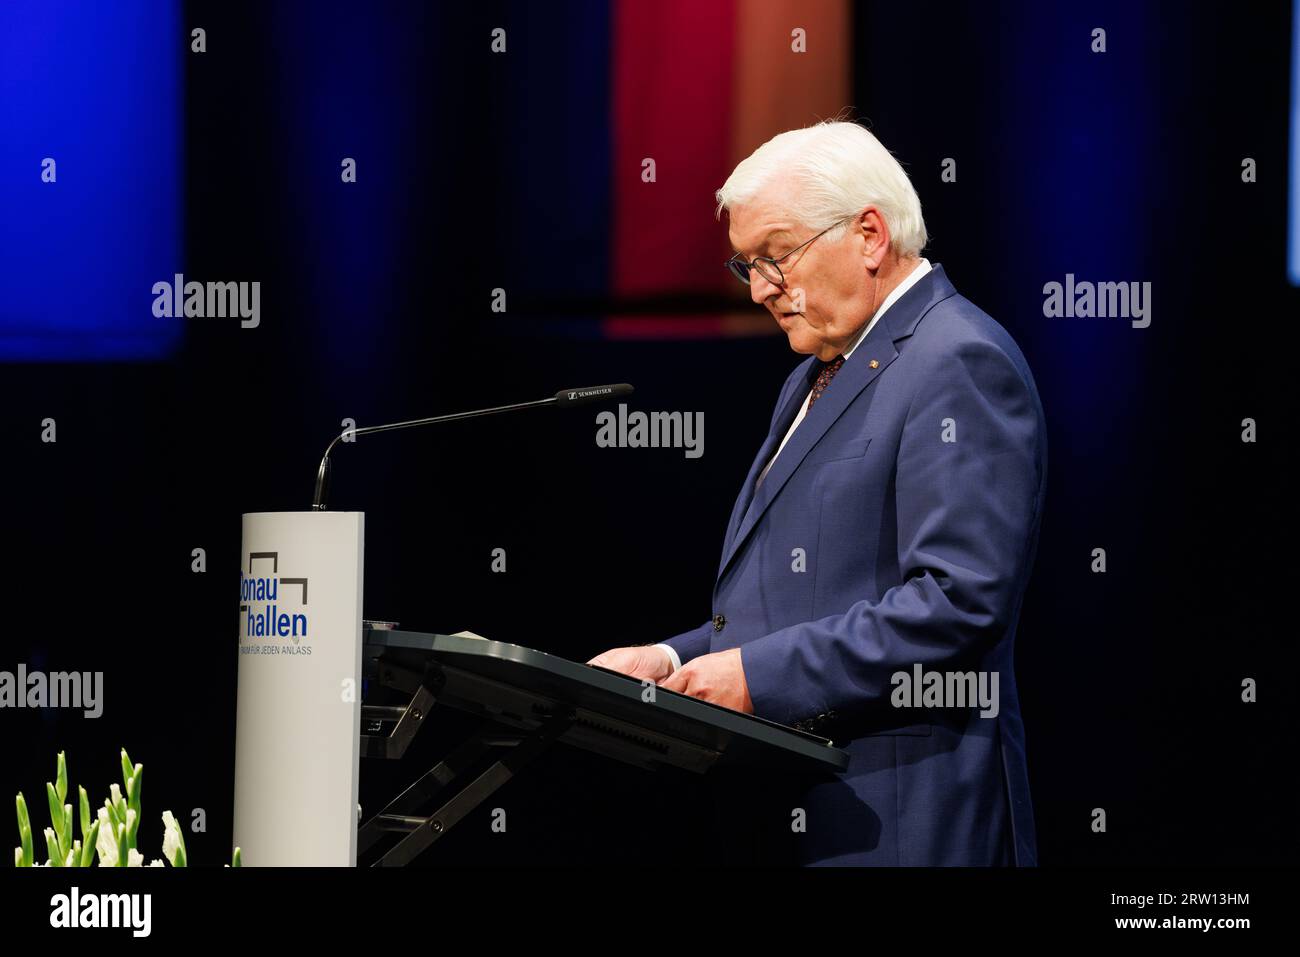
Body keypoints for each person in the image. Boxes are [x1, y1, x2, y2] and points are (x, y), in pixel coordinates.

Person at [589, 120, 1046, 866]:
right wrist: (672, 662)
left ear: (869, 234)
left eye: (775, 255)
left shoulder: (955, 358)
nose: (763, 288)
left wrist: (752, 678)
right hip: (798, 814)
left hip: (898, 821)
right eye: (748, 266)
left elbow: (957, 604)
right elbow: (795, 602)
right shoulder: (815, 373)